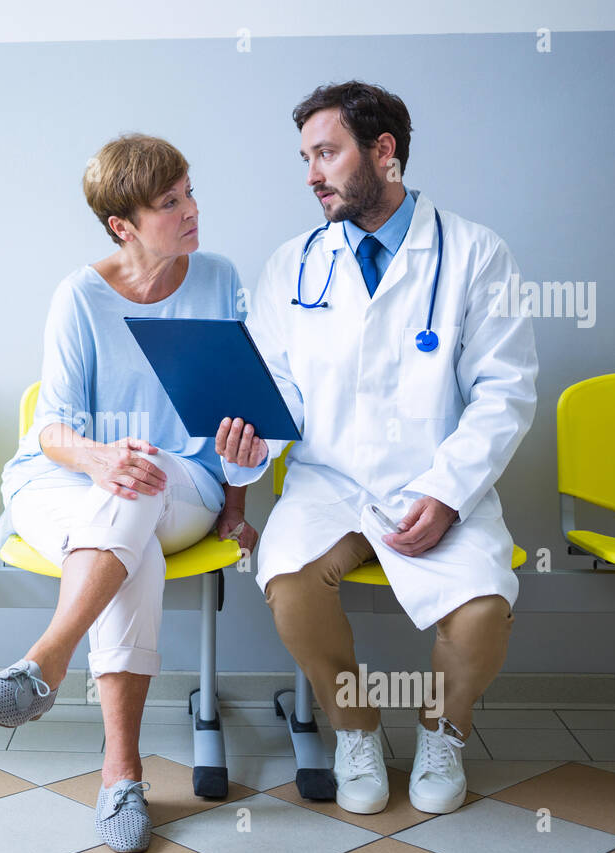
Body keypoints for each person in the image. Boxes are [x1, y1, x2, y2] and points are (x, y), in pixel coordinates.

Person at [217, 81, 538, 816]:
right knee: (291, 581)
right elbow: (278, 396)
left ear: (384, 152)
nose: (310, 175)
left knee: (484, 609)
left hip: (435, 478)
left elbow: (505, 391)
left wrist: (451, 491)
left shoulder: (474, 253)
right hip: (329, 482)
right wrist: (247, 443)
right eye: (305, 157)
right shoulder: (292, 264)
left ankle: (442, 732)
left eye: (325, 153)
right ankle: (355, 728)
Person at [0, 134, 258, 853]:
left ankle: (46, 663)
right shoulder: (80, 295)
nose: (192, 210)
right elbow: (53, 429)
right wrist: (98, 460)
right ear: (121, 226)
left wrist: (238, 506)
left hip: (182, 480)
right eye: (170, 203)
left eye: (189, 191)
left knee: (142, 477)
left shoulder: (220, 280)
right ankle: (119, 774)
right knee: (130, 523)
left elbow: (246, 406)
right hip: (63, 478)